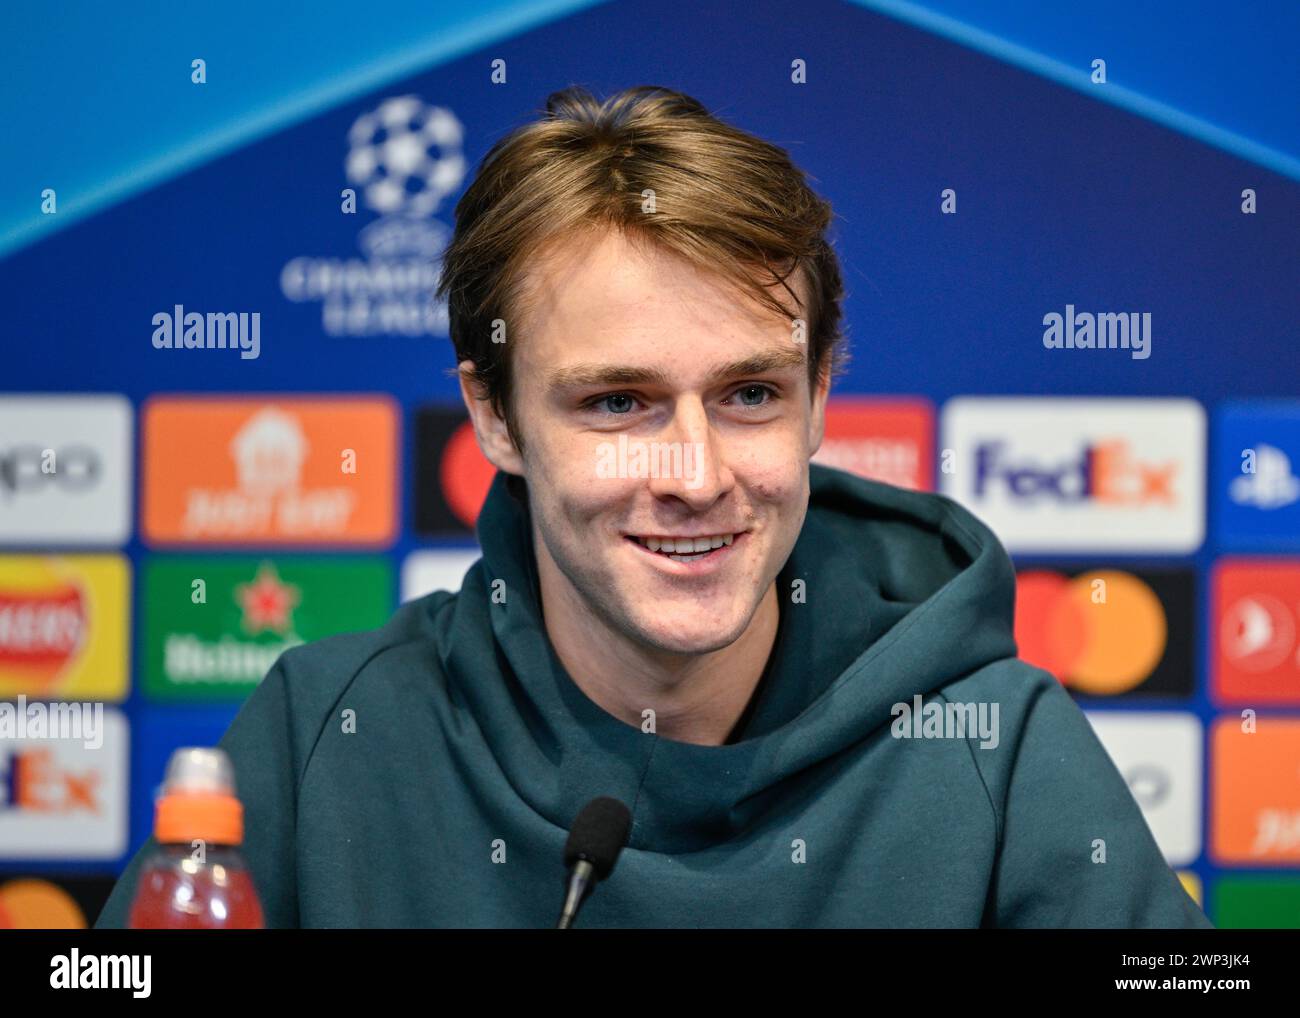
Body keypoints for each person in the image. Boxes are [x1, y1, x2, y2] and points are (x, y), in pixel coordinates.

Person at [96, 85, 1212, 928]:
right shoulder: (323, 732)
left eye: (749, 393)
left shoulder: (998, 750)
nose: (693, 470)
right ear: (492, 418)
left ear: (819, 397)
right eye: (618, 400)